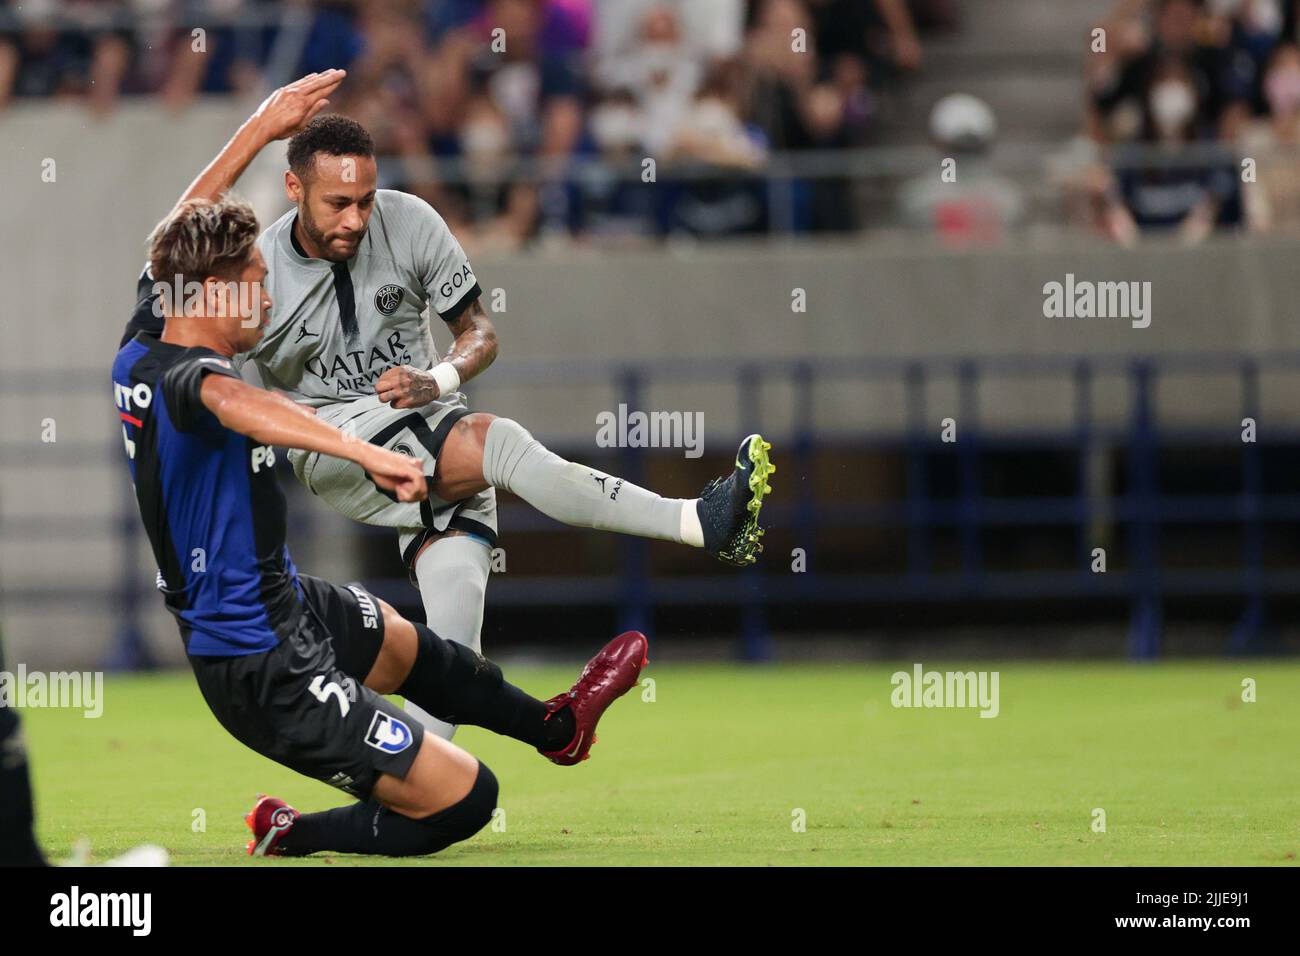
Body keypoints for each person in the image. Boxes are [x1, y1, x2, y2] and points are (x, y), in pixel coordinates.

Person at [121, 70, 774, 744]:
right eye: (338, 202)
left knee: (450, 657)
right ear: (295, 188)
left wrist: (438, 375)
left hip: (430, 420)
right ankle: (697, 522)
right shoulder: (254, 271)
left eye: (365, 200)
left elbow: (480, 333)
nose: (355, 219)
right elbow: (172, 250)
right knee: (500, 442)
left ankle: (417, 790)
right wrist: (259, 126)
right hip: (334, 442)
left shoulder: (409, 222)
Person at [113, 190, 649, 858]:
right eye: (257, 285)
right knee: (470, 797)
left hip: (282, 601)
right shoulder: (191, 379)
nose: (270, 299)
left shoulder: (141, 346)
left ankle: (556, 726)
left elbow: (177, 231)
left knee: (410, 648)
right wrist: (366, 450)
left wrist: (265, 123)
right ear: (215, 293)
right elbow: (238, 402)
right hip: (257, 660)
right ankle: (295, 833)